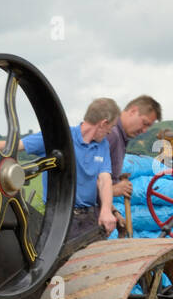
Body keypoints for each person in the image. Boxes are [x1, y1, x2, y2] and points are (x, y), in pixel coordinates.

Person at [20, 97, 122, 237]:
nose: (110, 132)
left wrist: (106, 210)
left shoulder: (102, 144)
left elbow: (104, 179)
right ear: (103, 123)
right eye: (111, 127)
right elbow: (17, 146)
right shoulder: (59, 136)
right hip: (60, 217)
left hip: (90, 218)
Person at [107, 95, 162, 188]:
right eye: (145, 123)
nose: (145, 130)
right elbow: (87, 176)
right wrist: (113, 190)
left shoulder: (121, 139)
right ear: (133, 111)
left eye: (149, 126)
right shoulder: (111, 134)